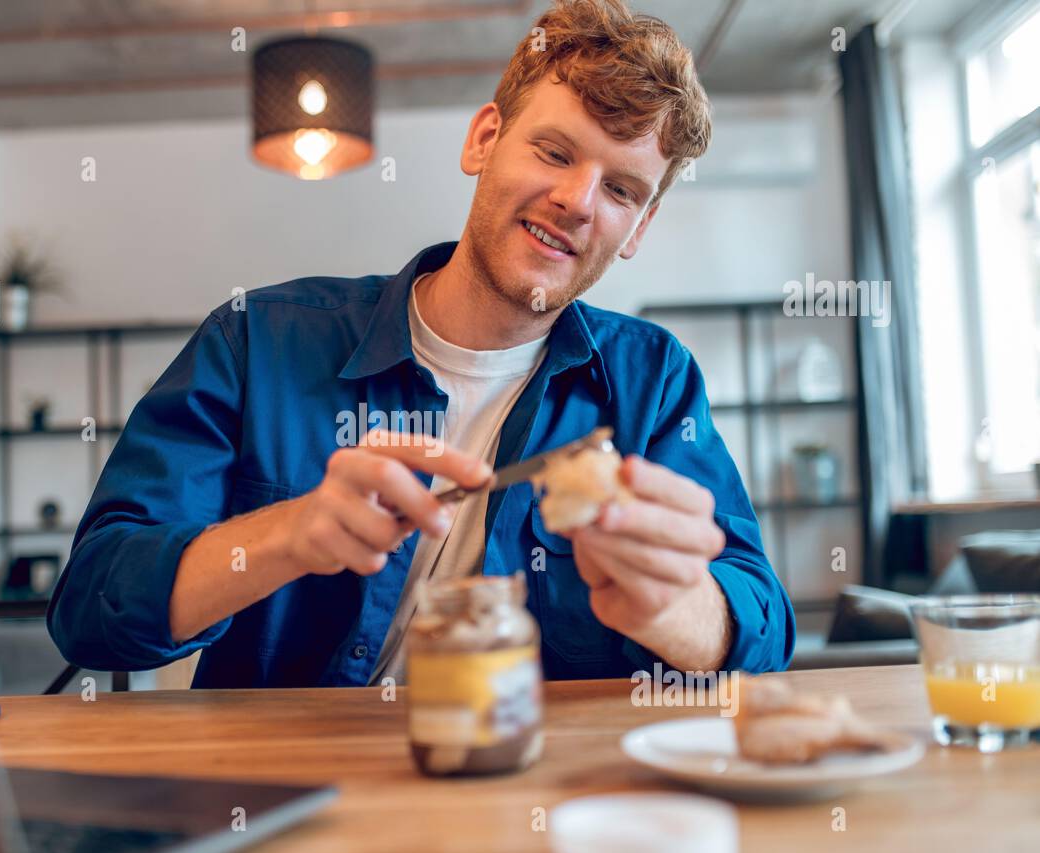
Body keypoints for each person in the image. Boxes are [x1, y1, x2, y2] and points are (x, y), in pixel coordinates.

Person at [47, 0, 795, 687]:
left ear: (638, 229)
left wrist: (672, 609)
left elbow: (763, 629)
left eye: (623, 190)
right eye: (555, 152)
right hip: (290, 797)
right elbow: (90, 608)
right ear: (484, 141)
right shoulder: (258, 340)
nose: (577, 202)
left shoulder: (653, 382)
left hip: (538, 795)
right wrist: (291, 533)